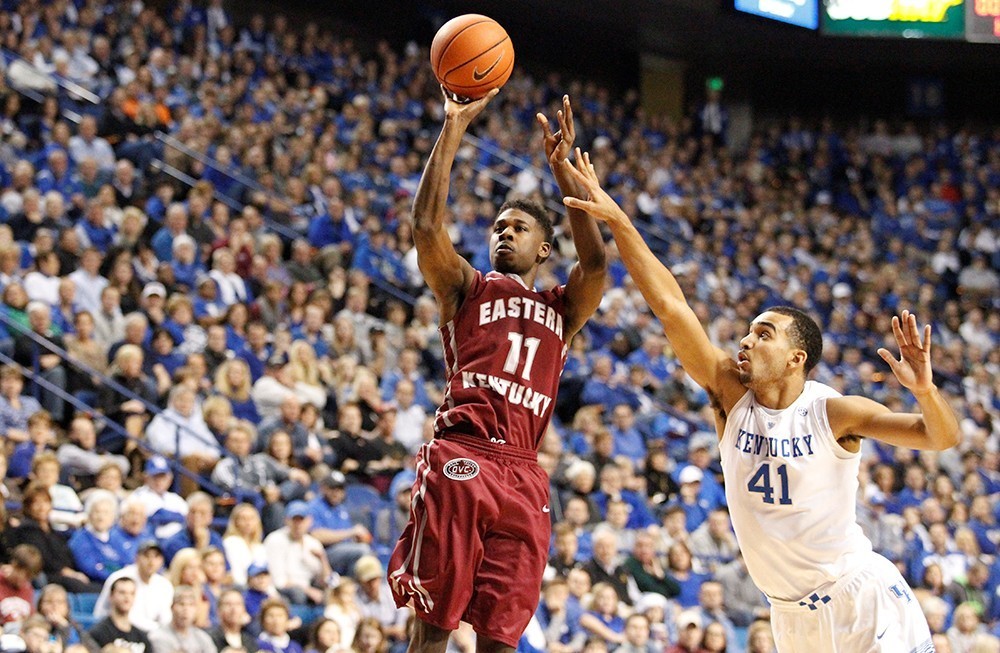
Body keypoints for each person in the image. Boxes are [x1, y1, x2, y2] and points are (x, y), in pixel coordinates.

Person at [557, 148, 961, 652]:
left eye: (763, 334)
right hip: (789, 615)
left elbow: (941, 438)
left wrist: (925, 391)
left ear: (796, 358)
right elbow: (670, 306)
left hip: (860, 598)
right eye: (748, 331)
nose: (746, 341)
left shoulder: (834, 412)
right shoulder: (729, 393)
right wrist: (619, 220)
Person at [387, 90, 606, 652]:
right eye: (499, 227)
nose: (504, 233)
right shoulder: (468, 287)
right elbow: (425, 226)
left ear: (545, 250)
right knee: (433, 628)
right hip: (464, 454)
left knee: (502, 638)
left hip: (525, 472)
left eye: (518, 228)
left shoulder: (563, 310)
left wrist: (564, 174)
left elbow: (596, 262)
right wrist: (453, 126)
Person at [89, 577, 153, 653]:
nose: (127, 597)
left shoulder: (142, 637)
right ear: (111, 596)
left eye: (132, 593)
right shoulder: (99, 633)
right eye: (122, 592)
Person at [147, 585, 217, 653]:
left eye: (191, 604)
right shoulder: (158, 636)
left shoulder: (202, 638)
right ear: (172, 607)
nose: (186, 609)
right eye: (181, 604)